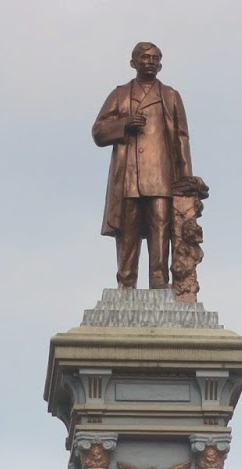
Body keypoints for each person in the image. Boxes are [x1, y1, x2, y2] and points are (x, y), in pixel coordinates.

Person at [92, 42, 193, 290]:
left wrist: (186, 178)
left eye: (155, 58)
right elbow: (98, 132)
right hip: (128, 177)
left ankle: (159, 280)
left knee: (161, 227)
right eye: (144, 57)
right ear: (133, 63)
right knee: (128, 229)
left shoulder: (169, 95)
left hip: (161, 176)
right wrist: (124, 124)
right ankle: (126, 282)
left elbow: (181, 137)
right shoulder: (120, 95)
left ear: (160, 64)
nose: (150, 62)